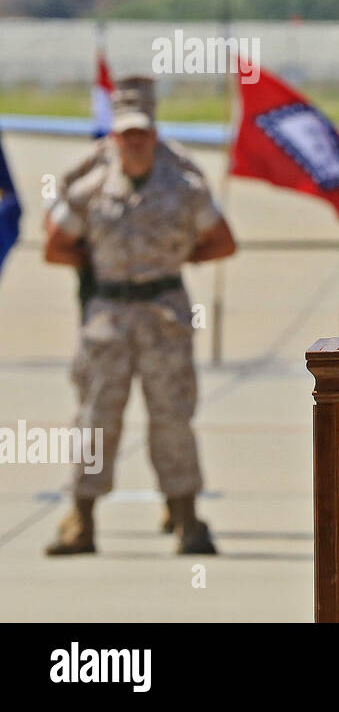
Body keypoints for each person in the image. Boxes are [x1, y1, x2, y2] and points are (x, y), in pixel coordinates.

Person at [42, 76, 237, 556]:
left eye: (142, 132)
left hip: (163, 316)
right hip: (107, 318)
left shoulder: (184, 186)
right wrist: (94, 266)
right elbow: (54, 245)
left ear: (153, 133)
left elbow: (223, 240)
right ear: (114, 135)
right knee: (95, 419)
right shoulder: (90, 187)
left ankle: (188, 519)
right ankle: (81, 521)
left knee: (172, 418)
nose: (134, 140)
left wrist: (179, 257)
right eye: (126, 133)